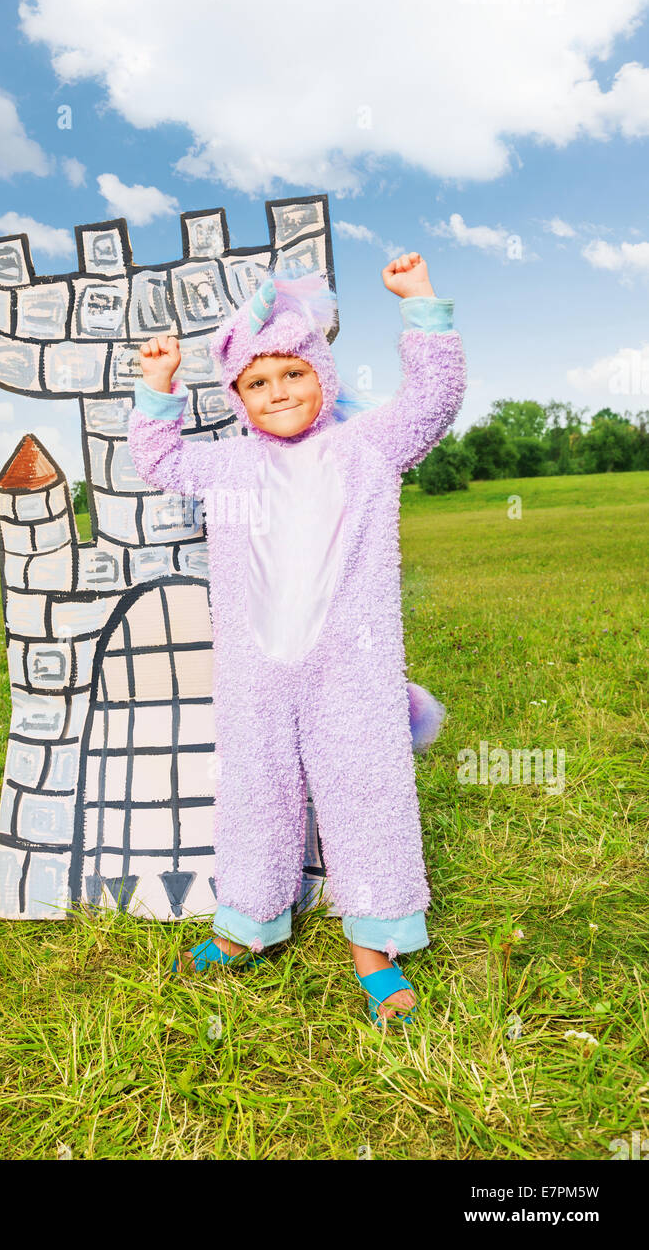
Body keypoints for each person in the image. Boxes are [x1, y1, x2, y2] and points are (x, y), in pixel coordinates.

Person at [127, 254, 467, 1028]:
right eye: (258, 381)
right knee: (255, 795)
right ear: (238, 397)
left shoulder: (366, 448)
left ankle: (376, 945)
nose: (278, 392)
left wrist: (420, 305)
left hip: (351, 669)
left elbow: (435, 397)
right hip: (256, 672)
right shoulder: (233, 465)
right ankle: (248, 923)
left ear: (323, 376)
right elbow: (159, 459)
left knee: (368, 794)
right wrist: (158, 388)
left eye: (293, 374)